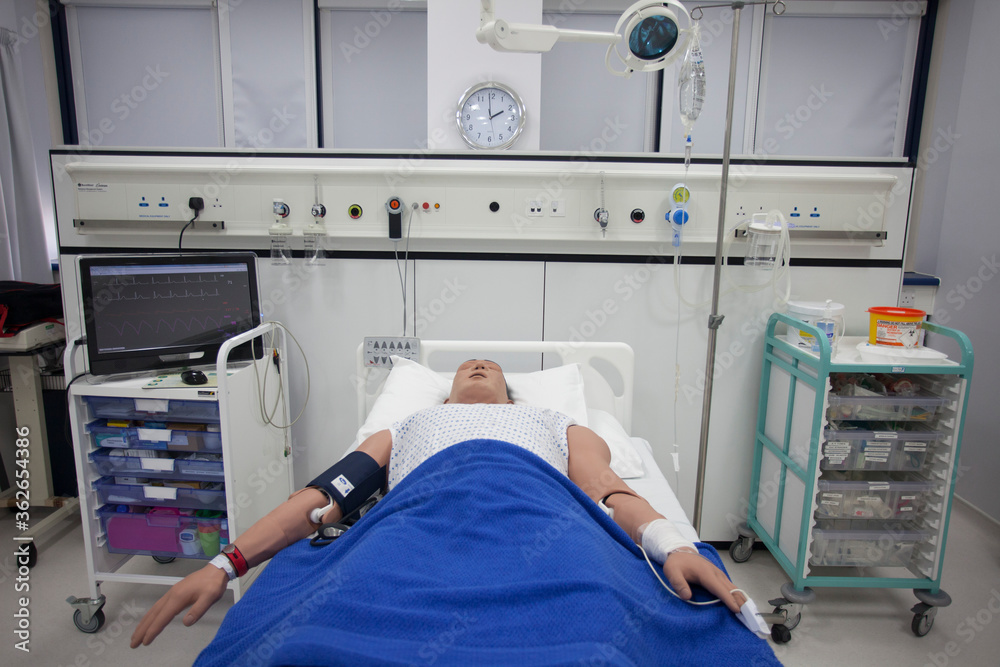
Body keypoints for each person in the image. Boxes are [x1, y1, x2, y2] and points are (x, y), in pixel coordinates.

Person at [130, 359, 746, 649]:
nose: (478, 365)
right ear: (447, 391)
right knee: (315, 629)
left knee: (599, 623)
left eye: (492, 367)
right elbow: (323, 497)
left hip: (540, 520)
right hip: (415, 525)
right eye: (465, 366)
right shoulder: (408, 425)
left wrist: (672, 542)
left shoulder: (554, 422)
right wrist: (224, 564)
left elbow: (607, 491)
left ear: (509, 392)